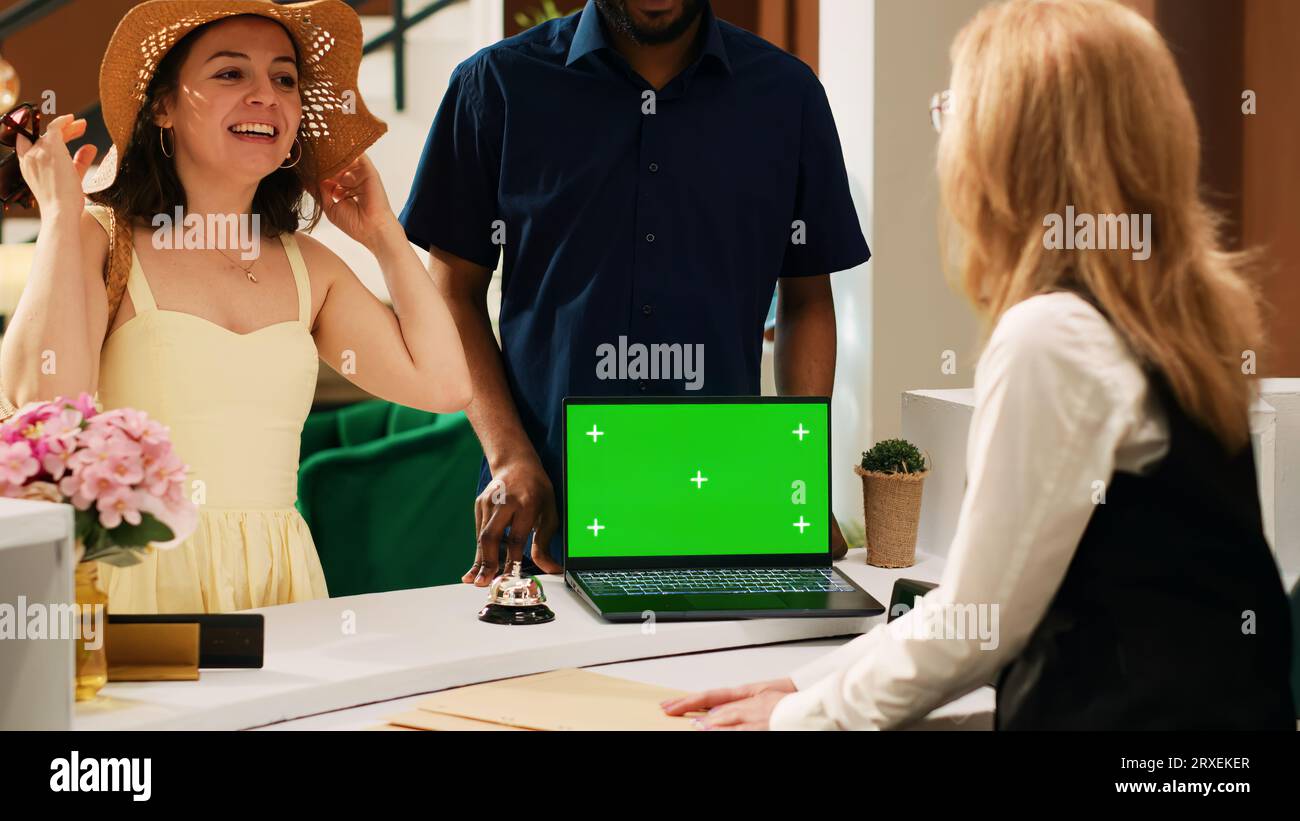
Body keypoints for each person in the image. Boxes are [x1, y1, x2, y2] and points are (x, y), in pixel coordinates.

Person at [663, 0, 1295, 730]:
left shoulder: (1055, 337)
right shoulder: (1181, 327)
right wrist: (800, 684)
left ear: (1013, 148)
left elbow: (976, 625)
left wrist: (793, 718)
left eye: (954, 110)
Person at [0, 0, 472, 613]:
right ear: (163, 107)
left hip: (279, 582)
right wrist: (61, 216)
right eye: (230, 73)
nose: (265, 95)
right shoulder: (101, 239)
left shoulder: (310, 267)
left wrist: (384, 235)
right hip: (136, 580)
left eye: (284, 79)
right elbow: (44, 407)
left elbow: (443, 386)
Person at [400, 0, 869, 584]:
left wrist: (798, 468)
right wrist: (509, 455)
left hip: (724, 511)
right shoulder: (495, 86)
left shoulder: (787, 96)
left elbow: (806, 299)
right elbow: (451, 296)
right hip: (545, 519)